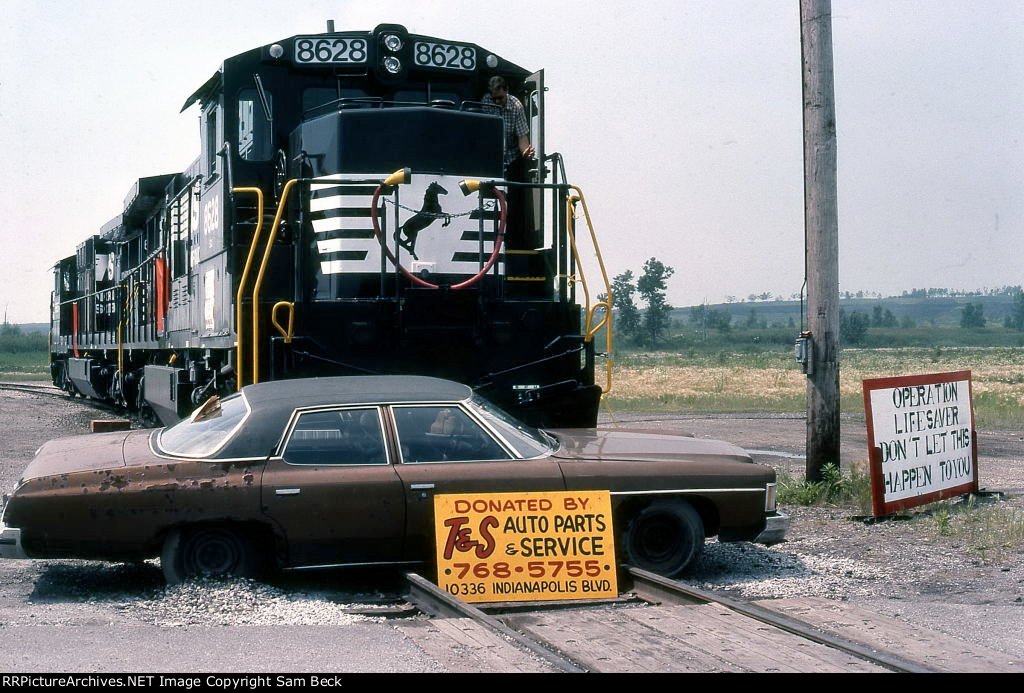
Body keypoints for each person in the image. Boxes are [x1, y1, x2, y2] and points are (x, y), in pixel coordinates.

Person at [481, 76, 534, 177]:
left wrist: (525, 152)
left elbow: (522, 135)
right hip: (490, 156)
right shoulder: (486, 101)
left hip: (511, 159)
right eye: (494, 99)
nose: (497, 102)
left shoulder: (516, 106)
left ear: (507, 90)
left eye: (500, 98)